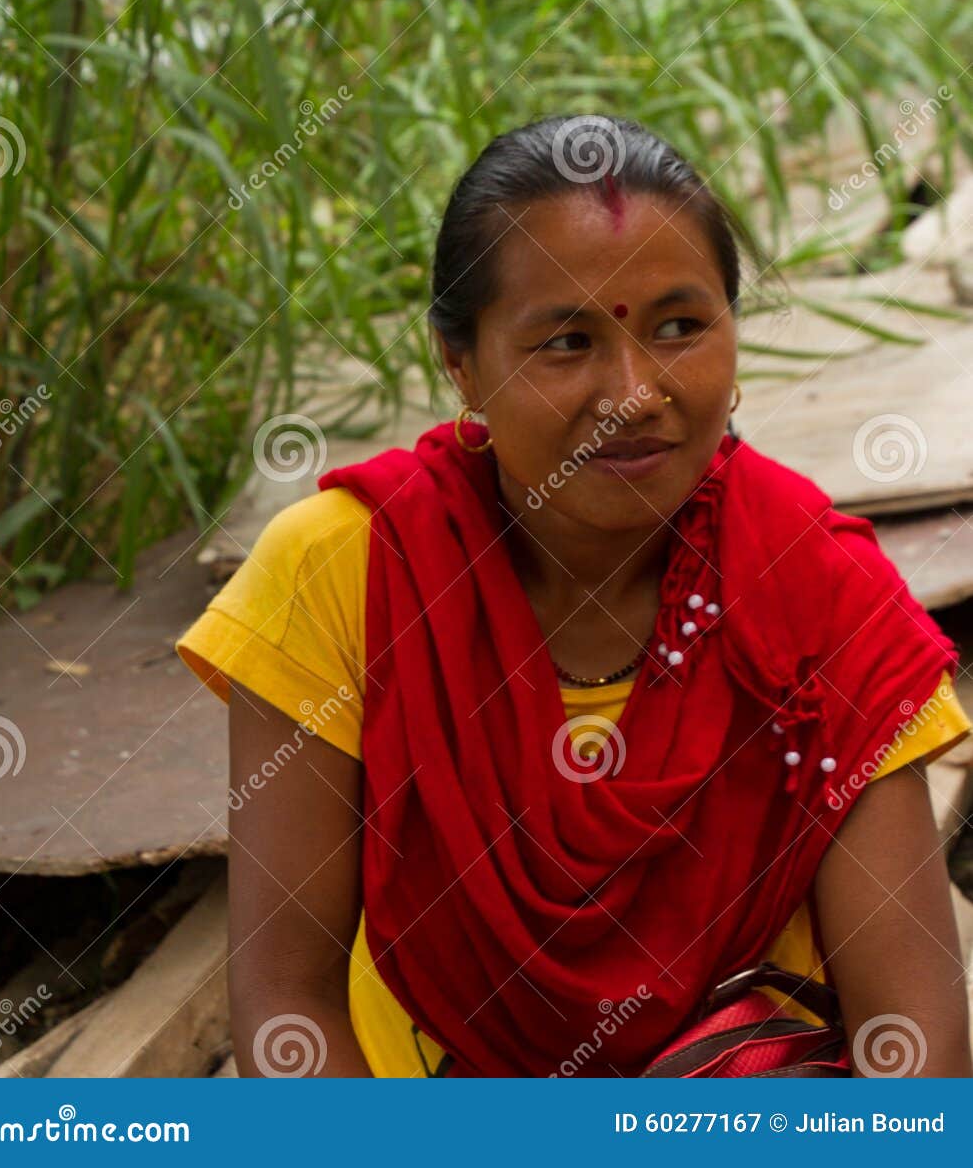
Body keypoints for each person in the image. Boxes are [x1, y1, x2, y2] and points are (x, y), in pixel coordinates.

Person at [176, 113, 972, 1078]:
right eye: (565, 342)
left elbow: (916, 1045)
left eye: (680, 327)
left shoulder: (815, 589)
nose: (634, 393)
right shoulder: (346, 574)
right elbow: (284, 998)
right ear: (459, 364)